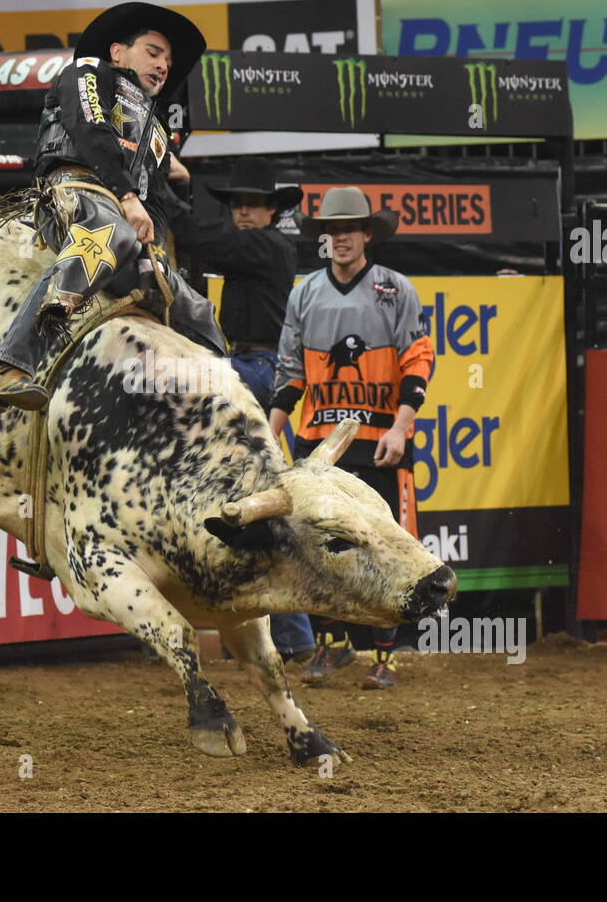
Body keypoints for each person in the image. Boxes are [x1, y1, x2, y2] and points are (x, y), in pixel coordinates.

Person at [0, 2, 227, 413]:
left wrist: (155, 254)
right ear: (118, 52)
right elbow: (90, 128)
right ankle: (11, 367)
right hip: (73, 190)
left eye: (168, 60)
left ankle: (218, 406)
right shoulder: (88, 73)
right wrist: (129, 199)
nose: (164, 65)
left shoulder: (159, 129)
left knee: (198, 310)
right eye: (153, 52)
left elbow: (157, 202)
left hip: (128, 224)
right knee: (109, 234)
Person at [269, 186, 433, 689]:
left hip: (378, 440)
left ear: (367, 234)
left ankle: (386, 655)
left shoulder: (395, 289)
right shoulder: (305, 292)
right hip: (318, 446)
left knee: (385, 545)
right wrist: (269, 430)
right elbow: (290, 371)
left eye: (349, 230)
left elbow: (418, 361)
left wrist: (401, 427)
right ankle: (331, 644)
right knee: (316, 547)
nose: (340, 239)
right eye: (332, 231)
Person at [166, 156, 313, 662]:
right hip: (247, 367)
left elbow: (200, 240)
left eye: (254, 205)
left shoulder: (267, 246)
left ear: (273, 210)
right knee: (261, 503)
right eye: (239, 205)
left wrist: (172, 194)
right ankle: (286, 637)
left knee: (260, 499)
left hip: (254, 369)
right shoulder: (261, 246)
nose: (245, 212)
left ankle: (289, 637)